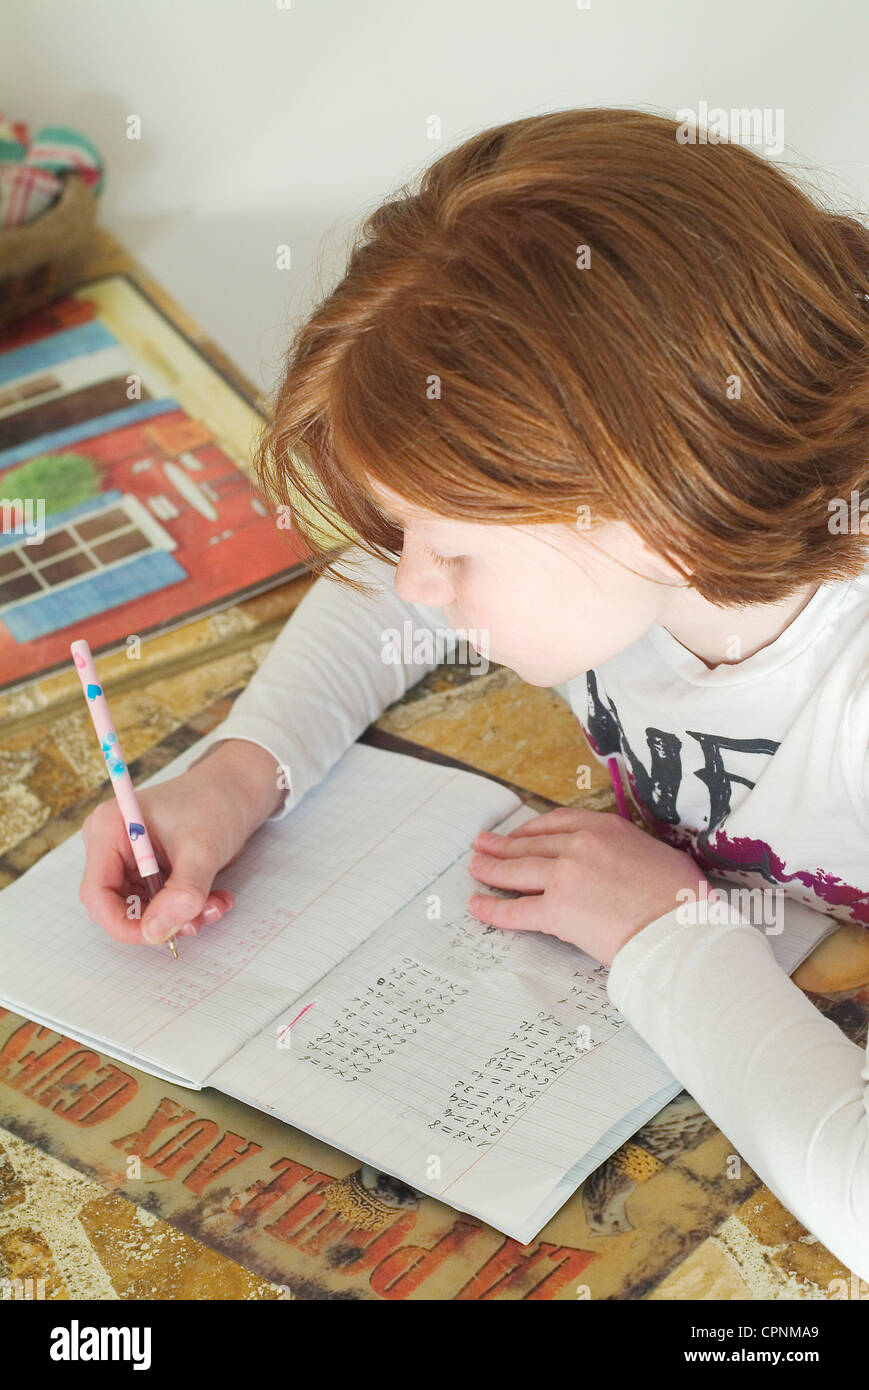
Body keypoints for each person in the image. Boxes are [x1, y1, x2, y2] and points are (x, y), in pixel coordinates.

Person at [79, 108, 869, 1278]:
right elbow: (383, 595)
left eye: (445, 545)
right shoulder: (641, 535)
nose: (411, 577)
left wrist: (662, 936)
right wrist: (241, 773)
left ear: (652, 497)